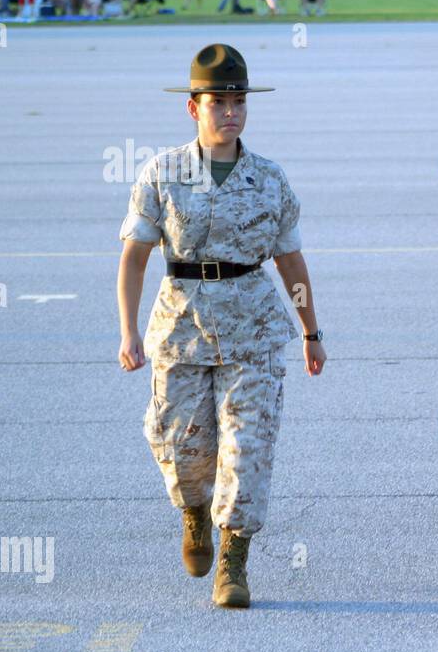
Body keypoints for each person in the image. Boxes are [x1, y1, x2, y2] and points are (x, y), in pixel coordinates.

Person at [116, 44, 326, 609]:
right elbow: (134, 256)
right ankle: (193, 514)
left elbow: (291, 260)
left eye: (238, 101)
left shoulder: (269, 179)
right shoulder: (162, 172)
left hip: (254, 328)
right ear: (194, 108)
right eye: (219, 101)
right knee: (180, 448)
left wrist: (311, 329)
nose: (230, 111)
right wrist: (128, 332)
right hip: (180, 326)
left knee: (248, 448)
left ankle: (233, 564)